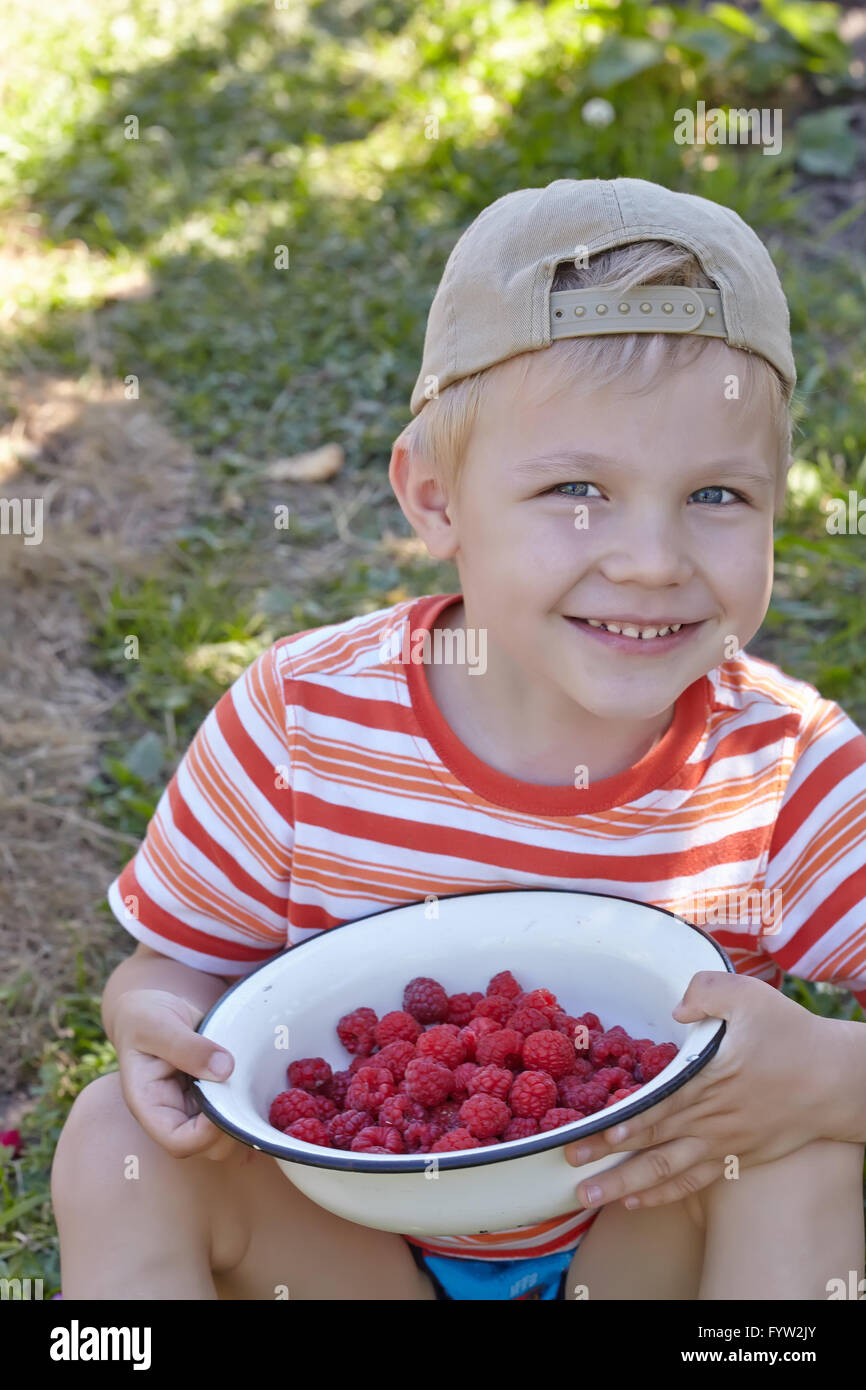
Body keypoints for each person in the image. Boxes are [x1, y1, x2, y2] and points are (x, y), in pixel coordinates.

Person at [51, 177, 866, 1301]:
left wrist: (832, 1075)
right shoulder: (302, 721)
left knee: (806, 1149)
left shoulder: (784, 774)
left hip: (641, 1243)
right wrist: (156, 1026)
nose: (649, 557)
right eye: (576, 488)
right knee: (112, 1138)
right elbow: (174, 969)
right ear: (434, 501)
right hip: (349, 1249)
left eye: (717, 495)